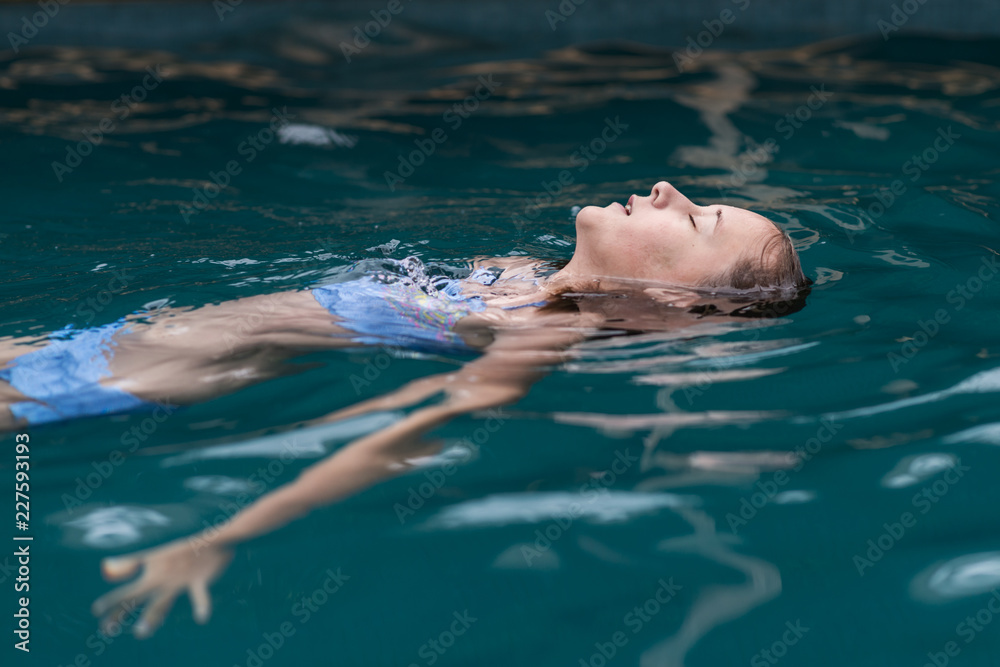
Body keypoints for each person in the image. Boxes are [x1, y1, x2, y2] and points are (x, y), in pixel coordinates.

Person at [2, 181, 809, 637]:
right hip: (130, 337)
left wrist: (223, 535)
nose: (669, 190)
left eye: (696, 219)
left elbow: (402, 434)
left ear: (672, 295)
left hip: (163, 367)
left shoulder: (534, 337)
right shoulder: (522, 276)